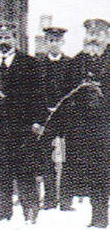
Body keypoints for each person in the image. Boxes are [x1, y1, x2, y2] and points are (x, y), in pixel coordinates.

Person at [0, 21, 44, 223]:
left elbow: (39, 94)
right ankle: (3, 209)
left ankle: (30, 209)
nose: (3, 42)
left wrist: (38, 121)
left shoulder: (29, 63)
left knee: (25, 169)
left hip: (23, 127)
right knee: (1, 170)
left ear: (15, 39)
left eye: (7, 38)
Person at [40, 43, 110, 228]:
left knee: (100, 175)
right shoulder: (76, 76)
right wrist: (47, 135)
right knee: (81, 171)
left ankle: (99, 218)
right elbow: (63, 106)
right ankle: (69, 203)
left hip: (101, 136)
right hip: (79, 136)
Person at [35, 26, 74, 211]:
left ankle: (66, 200)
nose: (54, 44)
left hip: (65, 118)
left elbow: (74, 93)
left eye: (57, 41)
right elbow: (32, 92)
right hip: (45, 118)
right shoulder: (37, 64)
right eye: (50, 40)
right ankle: (50, 198)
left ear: (62, 43)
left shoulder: (70, 64)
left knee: (68, 158)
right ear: (46, 42)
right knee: (45, 158)